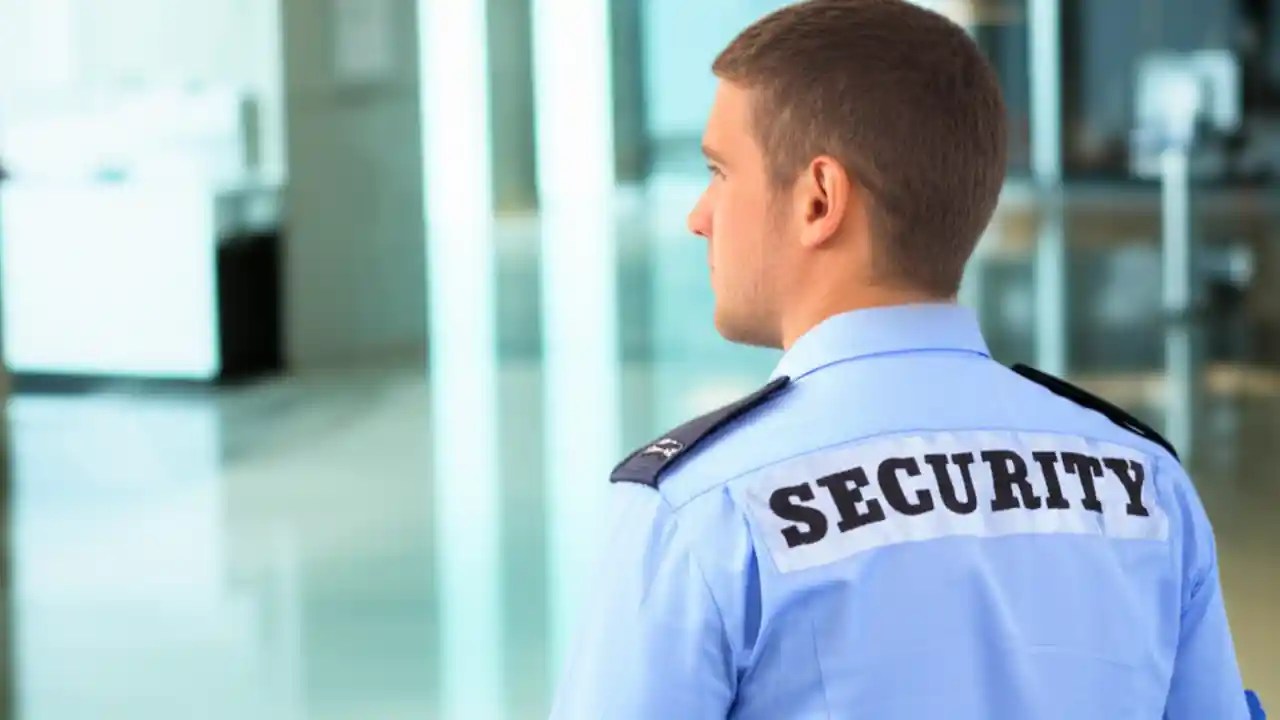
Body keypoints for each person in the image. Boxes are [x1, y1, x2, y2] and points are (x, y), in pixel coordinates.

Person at [549, 1, 1256, 718]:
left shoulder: (704, 511)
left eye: (720, 172)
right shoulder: (1147, 486)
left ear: (819, 199)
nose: (699, 215)